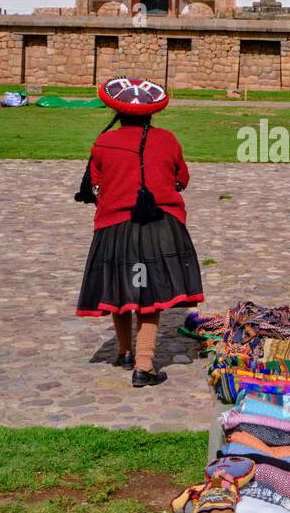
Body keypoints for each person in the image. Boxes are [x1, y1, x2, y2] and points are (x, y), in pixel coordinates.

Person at [75, 77, 203, 388]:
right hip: (159, 228)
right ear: (150, 113)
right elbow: (181, 178)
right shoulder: (167, 140)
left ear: (117, 113)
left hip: (114, 228)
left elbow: (95, 183)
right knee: (149, 293)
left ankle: (125, 351)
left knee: (122, 287)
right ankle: (144, 366)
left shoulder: (102, 143)